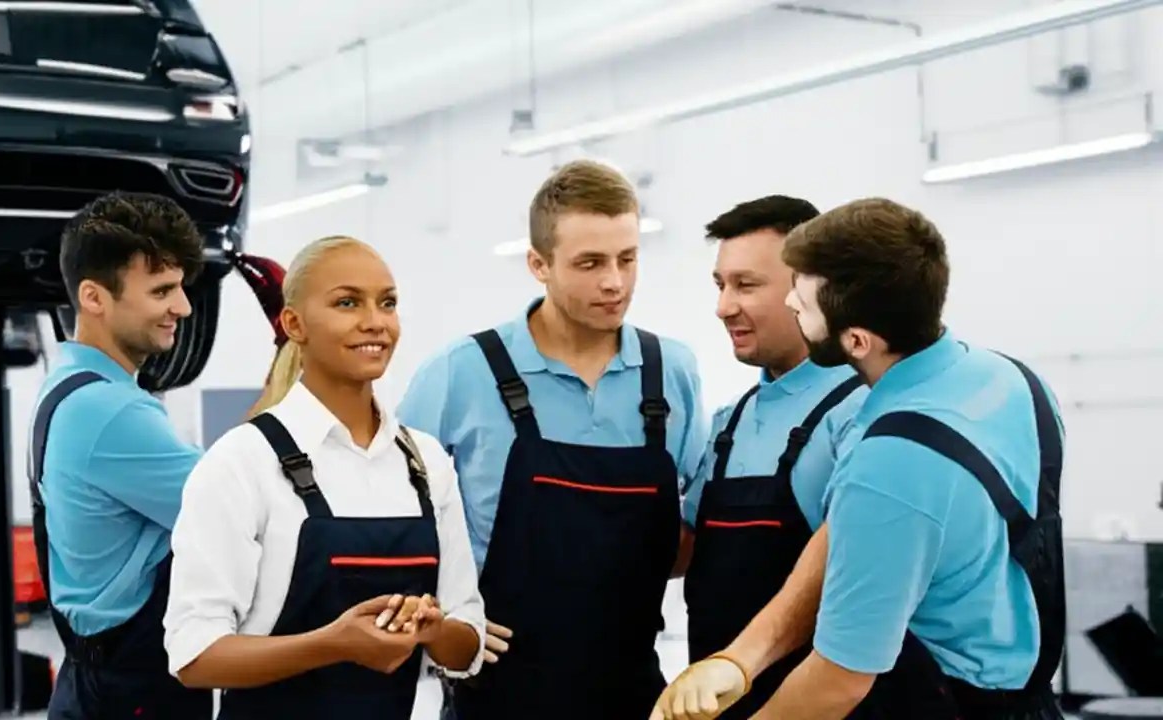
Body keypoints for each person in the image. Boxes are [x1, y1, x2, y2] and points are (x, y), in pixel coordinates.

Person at [652, 198, 1066, 720]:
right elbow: (854, 532)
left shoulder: (888, 460)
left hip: (942, 703)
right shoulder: (1013, 381)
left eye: (802, 302)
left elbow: (836, 682)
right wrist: (741, 659)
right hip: (1025, 697)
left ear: (855, 340)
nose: (793, 307)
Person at [397, 159, 710, 719]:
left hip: (634, 689)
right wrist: (443, 615)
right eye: (589, 263)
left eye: (627, 259)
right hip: (497, 692)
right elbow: (390, 513)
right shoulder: (462, 373)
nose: (614, 282)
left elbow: (693, 526)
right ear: (538, 264)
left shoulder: (673, 374)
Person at [162, 235, 487, 719]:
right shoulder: (242, 461)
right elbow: (193, 656)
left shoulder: (426, 463)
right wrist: (333, 644)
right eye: (347, 303)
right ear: (294, 323)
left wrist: (431, 629)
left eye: (388, 303)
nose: (375, 321)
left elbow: (467, 645)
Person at [677, 195, 867, 719]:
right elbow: (687, 547)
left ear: (809, 288)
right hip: (717, 700)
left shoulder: (862, 411)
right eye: (720, 285)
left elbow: (846, 571)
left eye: (746, 285)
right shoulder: (730, 422)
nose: (723, 307)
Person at [28, 191, 214, 719]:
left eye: (180, 287)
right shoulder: (109, 411)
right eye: (162, 290)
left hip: (99, 682)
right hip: (132, 696)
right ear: (94, 297)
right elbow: (233, 506)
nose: (182, 307)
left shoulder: (68, 385)